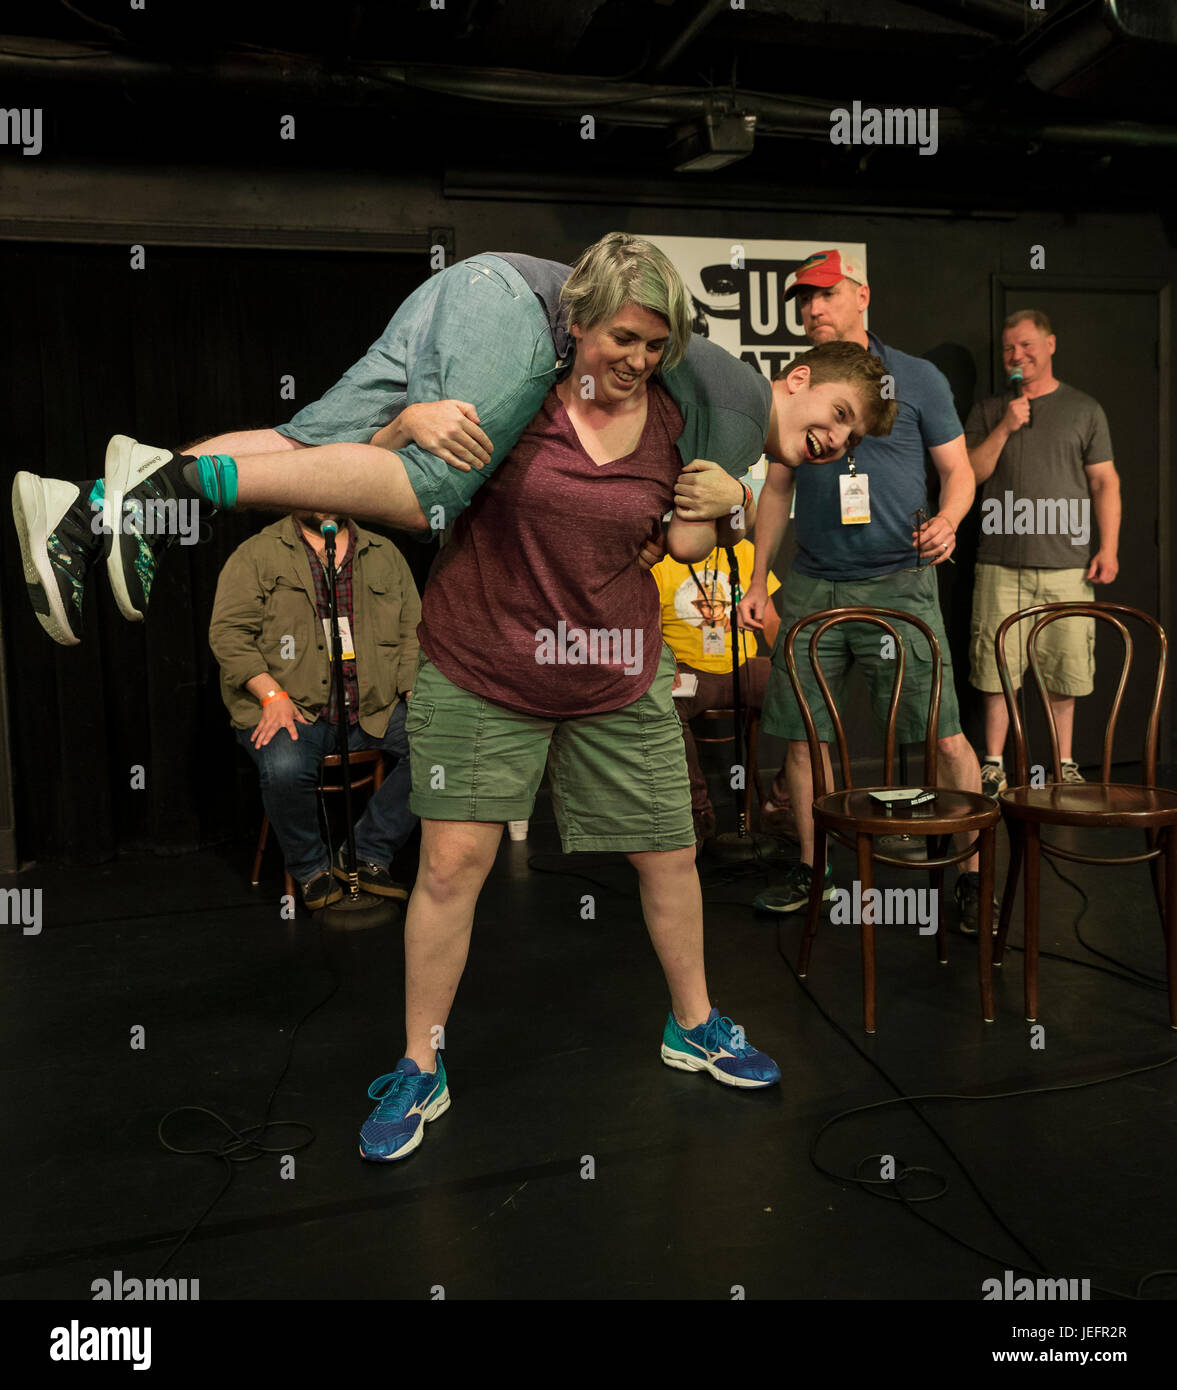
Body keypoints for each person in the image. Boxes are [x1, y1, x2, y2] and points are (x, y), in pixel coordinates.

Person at [13, 237, 774, 648]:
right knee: (432, 490)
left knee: (303, 439)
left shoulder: (703, 388)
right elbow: (684, 539)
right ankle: (170, 491)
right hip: (507, 311)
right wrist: (737, 493)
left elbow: (652, 537)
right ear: (796, 383)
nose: (642, 363)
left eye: (654, 347)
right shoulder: (746, 403)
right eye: (828, 425)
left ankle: (88, 512)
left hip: (477, 287)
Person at [740, 248, 990, 933]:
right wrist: (759, 575)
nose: (811, 309)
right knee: (799, 739)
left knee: (941, 738)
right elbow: (778, 486)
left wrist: (947, 518)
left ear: (861, 295)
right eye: (803, 300)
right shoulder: (795, 382)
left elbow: (958, 472)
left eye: (824, 296)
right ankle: (812, 867)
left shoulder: (916, 378)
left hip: (900, 585)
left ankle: (967, 874)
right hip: (814, 582)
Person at [210, 510, 419, 911]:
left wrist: (412, 689)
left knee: (441, 744)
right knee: (285, 769)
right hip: (294, 708)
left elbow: (414, 629)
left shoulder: (384, 553)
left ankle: (368, 851)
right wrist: (271, 694)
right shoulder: (256, 553)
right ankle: (312, 869)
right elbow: (229, 633)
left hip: (372, 707)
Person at [964, 309, 1121, 797]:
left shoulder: (1084, 409)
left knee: (1065, 673)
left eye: (1027, 345)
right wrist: (1006, 427)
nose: (1017, 355)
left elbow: (1104, 481)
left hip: (1068, 568)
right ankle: (993, 765)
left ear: (1050, 344)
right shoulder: (990, 411)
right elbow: (970, 474)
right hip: (999, 564)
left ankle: (1065, 765)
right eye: (1010, 348)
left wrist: (1109, 548)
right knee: (996, 671)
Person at [653, 537, 794, 845]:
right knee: (662, 706)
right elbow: (649, 623)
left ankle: (780, 802)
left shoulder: (745, 552)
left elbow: (769, 621)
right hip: (688, 669)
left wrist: (794, 663)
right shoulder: (663, 557)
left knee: (810, 692)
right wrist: (663, 664)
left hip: (744, 664)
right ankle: (697, 812)